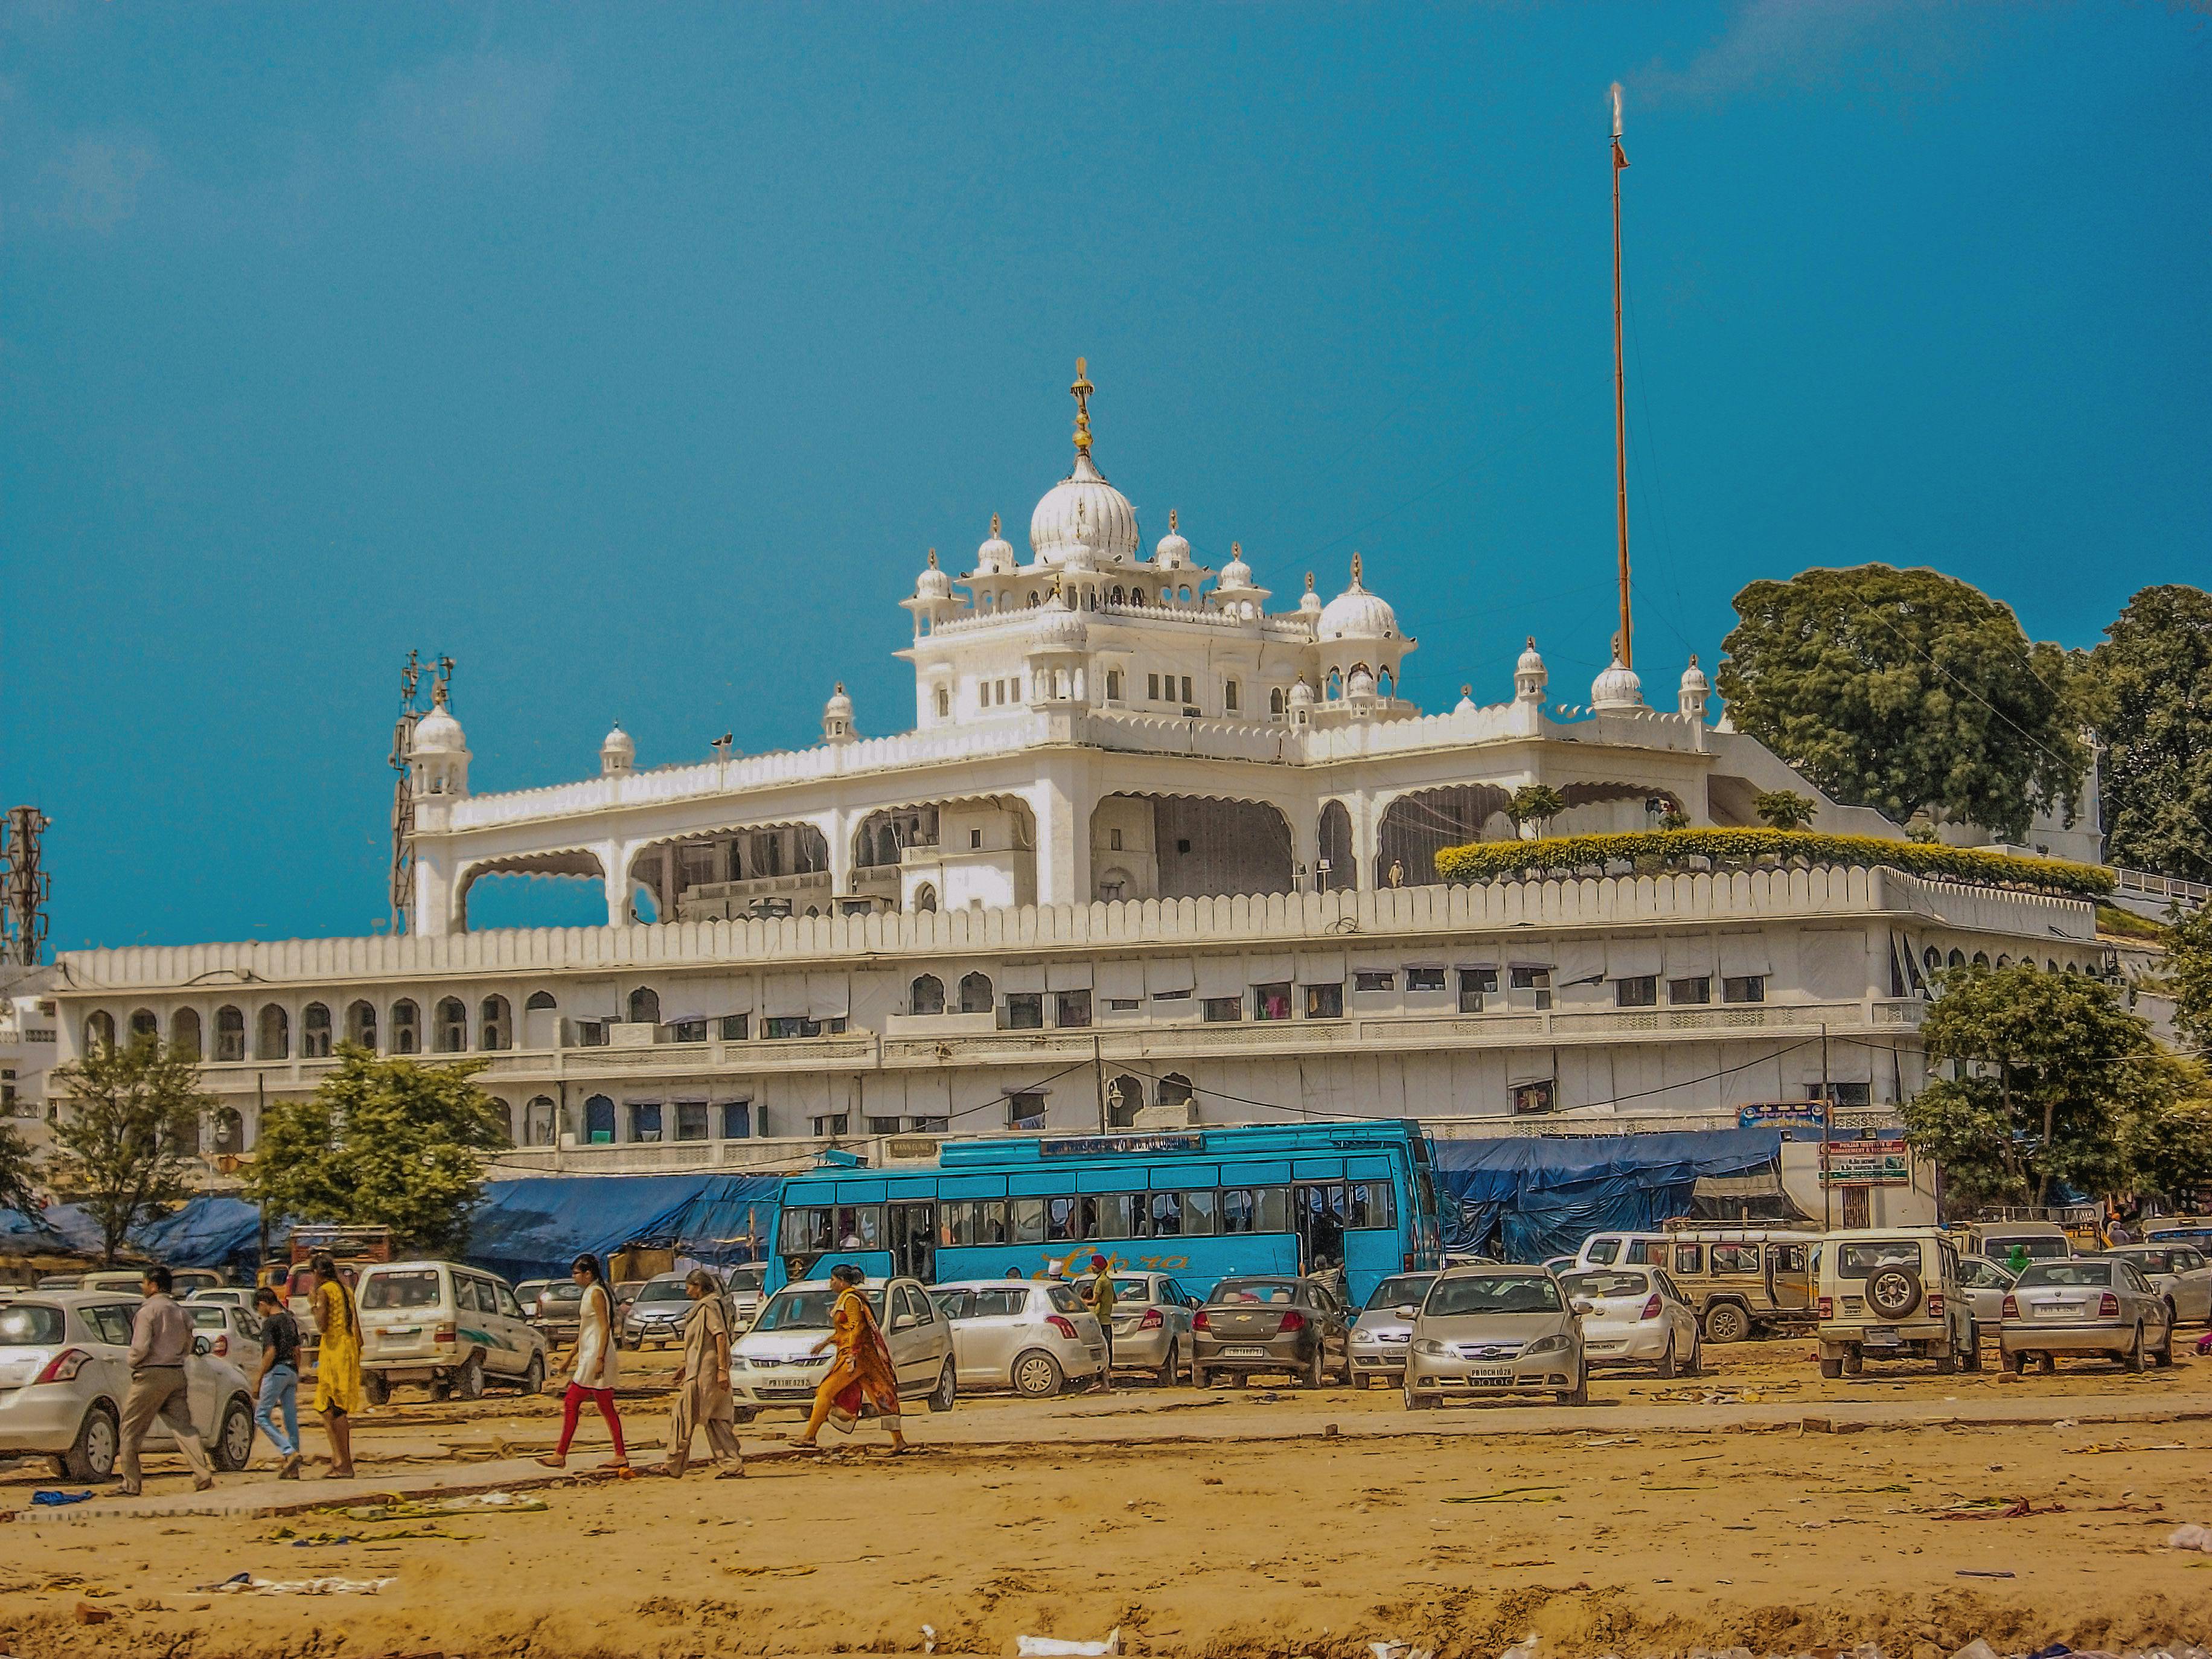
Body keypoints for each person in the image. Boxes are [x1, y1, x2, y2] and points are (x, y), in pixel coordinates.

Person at [118, 1265, 216, 1497]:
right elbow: (189, 1344)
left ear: (152, 1285)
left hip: (150, 1375)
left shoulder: (147, 1311)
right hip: (176, 1373)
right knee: (184, 1428)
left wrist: (132, 1362)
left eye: (144, 1283)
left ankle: (131, 1484)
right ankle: (202, 1475)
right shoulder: (180, 1311)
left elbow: (140, 1347)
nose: (142, 1287)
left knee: (129, 1430)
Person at [790, 1265, 906, 1454]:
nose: (831, 1284)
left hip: (856, 1356)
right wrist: (826, 1343)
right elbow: (845, 1331)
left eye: (833, 1280)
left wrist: (853, 1351)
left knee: (826, 1390)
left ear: (842, 1281)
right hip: (862, 1355)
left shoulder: (851, 1299)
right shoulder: (848, 1298)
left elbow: (858, 1327)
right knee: (880, 1394)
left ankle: (810, 1436)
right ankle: (899, 1440)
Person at [538, 1252, 628, 1469]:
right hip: (590, 1353)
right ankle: (620, 1454)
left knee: (572, 1402)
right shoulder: (590, 1292)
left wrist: (599, 1359)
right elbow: (585, 1330)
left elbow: (605, 1327)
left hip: (597, 1354)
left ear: (588, 1274)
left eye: (577, 1273)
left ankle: (560, 1454)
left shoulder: (597, 1293)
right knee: (605, 1405)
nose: (574, 1277)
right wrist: (570, 1357)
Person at [656, 1270, 743, 1478]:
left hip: (706, 1372)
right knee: (716, 1419)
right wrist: (686, 1367)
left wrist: (722, 1370)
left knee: (683, 1415)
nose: (687, 1291)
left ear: (699, 1286)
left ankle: (673, 1463)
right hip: (700, 1369)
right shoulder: (710, 1305)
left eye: (689, 1286)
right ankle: (732, 1466)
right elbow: (700, 1344)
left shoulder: (708, 1307)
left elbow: (720, 1337)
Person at [308, 1254, 365, 1479]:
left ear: (317, 1272)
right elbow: (358, 1332)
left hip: (335, 1350)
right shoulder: (346, 1291)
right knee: (328, 1409)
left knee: (334, 1408)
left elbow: (322, 1326)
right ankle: (339, 1460)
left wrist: (313, 1303)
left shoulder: (325, 1291)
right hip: (347, 1349)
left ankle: (345, 1464)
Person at [252, 1285, 304, 1479]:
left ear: (263, 1304)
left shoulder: (270, 1323)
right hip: (291, 1370)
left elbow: (270, 1352)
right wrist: (296, 1374)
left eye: (258, 1309)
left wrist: (258, 1379)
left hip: (277, 1371)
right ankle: (294, 1468)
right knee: (290, 1419)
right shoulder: (289, 1319)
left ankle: (288, 1452)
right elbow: (297, 1349)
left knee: (262, 1417)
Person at [1079, 1255, 1117, 1392]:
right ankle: (1106, 1382)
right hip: (1107, 1319)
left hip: (1100, 1319)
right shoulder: (1108, 1281)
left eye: (1093, 1265)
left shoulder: (1100, 1282)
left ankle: (1102, 1383)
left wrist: (1082, 1302)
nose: (1091, 1267)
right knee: (1108, 1349)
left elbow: (1095, 1301)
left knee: (1100, 1351)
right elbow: (1115, 1300)